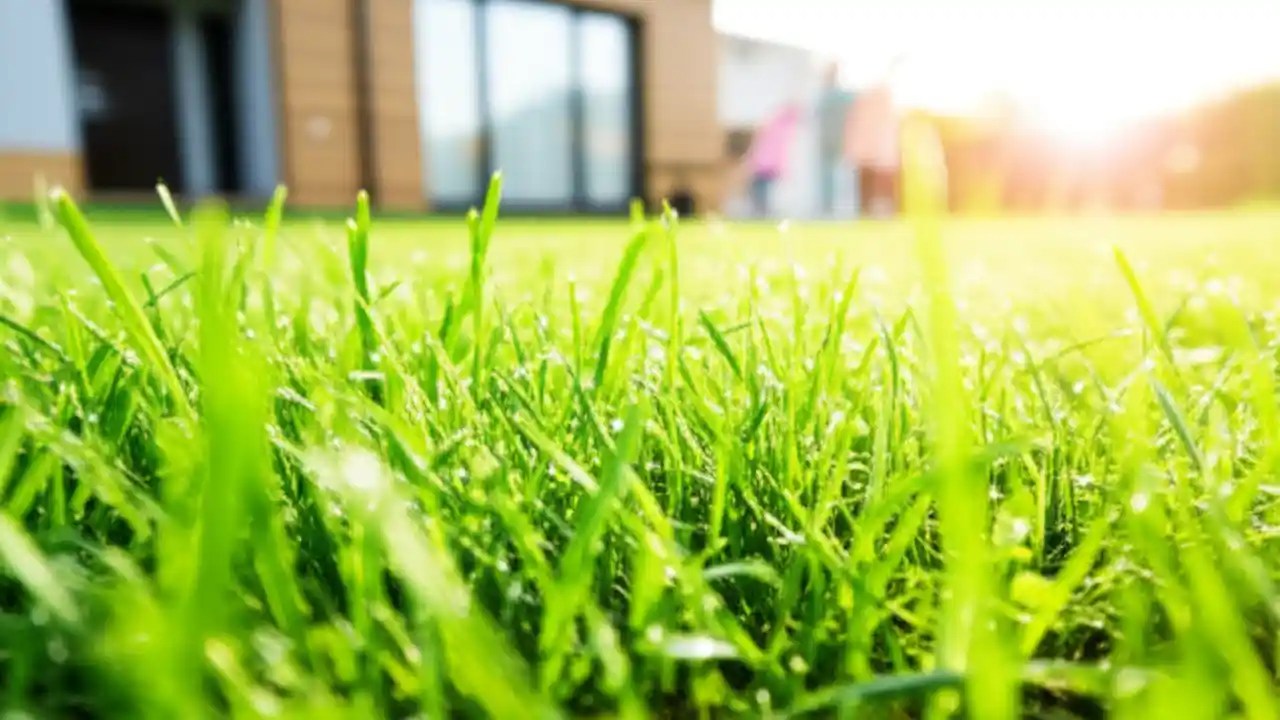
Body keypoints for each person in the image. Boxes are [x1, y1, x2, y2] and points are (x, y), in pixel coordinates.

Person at [845, 58, 904, 218]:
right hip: (872, 148)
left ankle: (877, 211)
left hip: (876, 149)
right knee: (872, 182)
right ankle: (872, 211)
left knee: (876, 182)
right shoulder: (874, 96)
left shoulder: (871, 97)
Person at [746, 103, 802, 217]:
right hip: (765, 163)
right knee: (760, 188)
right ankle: (761, 210)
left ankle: (761, 210)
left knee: (761, 188)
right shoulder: (781, 128)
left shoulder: (778, 127)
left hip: (765, 164)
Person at [818, 63, 857, 218]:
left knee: (840, 174)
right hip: (829, 139)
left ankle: (836, 207)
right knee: (828, 175)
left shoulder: (836, 95)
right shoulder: (826, 94)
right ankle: (828, 206)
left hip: (838, 139)